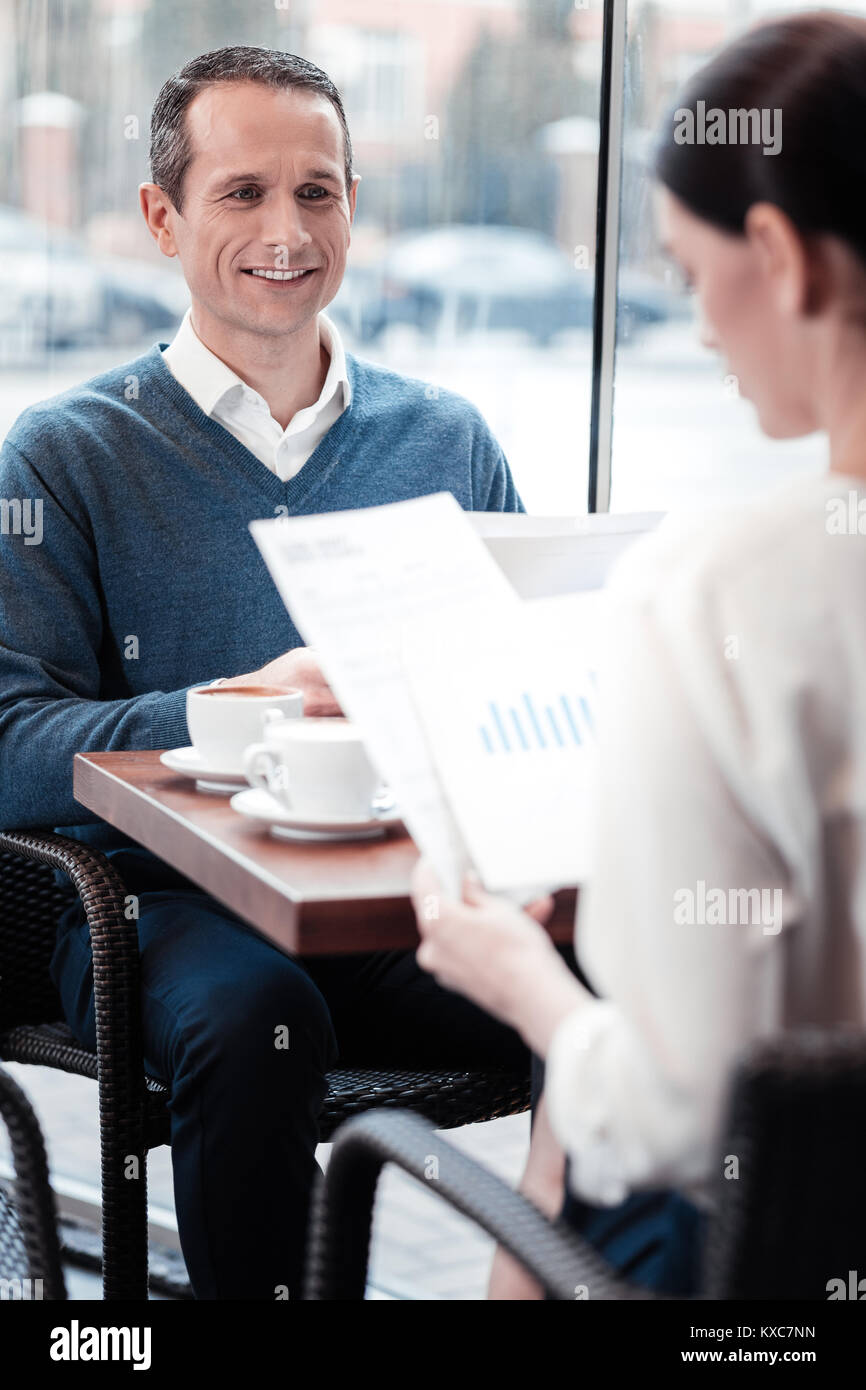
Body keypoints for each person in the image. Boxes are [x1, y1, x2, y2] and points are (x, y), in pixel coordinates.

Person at [0, 46, 536, 1300]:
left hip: (390, 905)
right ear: (161, 217)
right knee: (253, 1015)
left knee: (639, 976)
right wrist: (231, 709)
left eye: (319, 192)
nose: (286, 231)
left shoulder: (447, 442)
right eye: (242, 194)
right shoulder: (63, 457)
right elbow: (9, 743)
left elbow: (512, 700)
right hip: (152, 913)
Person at [411, 8, 866, 1298]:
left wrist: (516, 980)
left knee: (575, 1126)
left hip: (773, 1274)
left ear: (774, 254)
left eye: (683, 268)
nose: (698, 322)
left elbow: (676, 1118)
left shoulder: (721, 593)